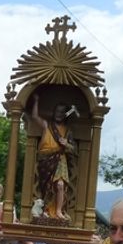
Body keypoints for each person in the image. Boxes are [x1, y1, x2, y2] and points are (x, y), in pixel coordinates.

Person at [27, 93, 77, 221]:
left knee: (60, 186)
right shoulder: (47, 126)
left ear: (65, 114)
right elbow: (34, 116)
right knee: (47, 187)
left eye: (62, 112)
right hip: (46, 161)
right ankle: (45, 210)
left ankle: (59, 210)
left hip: (60, 160)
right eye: (57, 111)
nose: (59, 114)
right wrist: (36, 101)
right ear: (54, 112)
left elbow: (74, 150)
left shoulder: (67, 131)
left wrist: (66, 144)